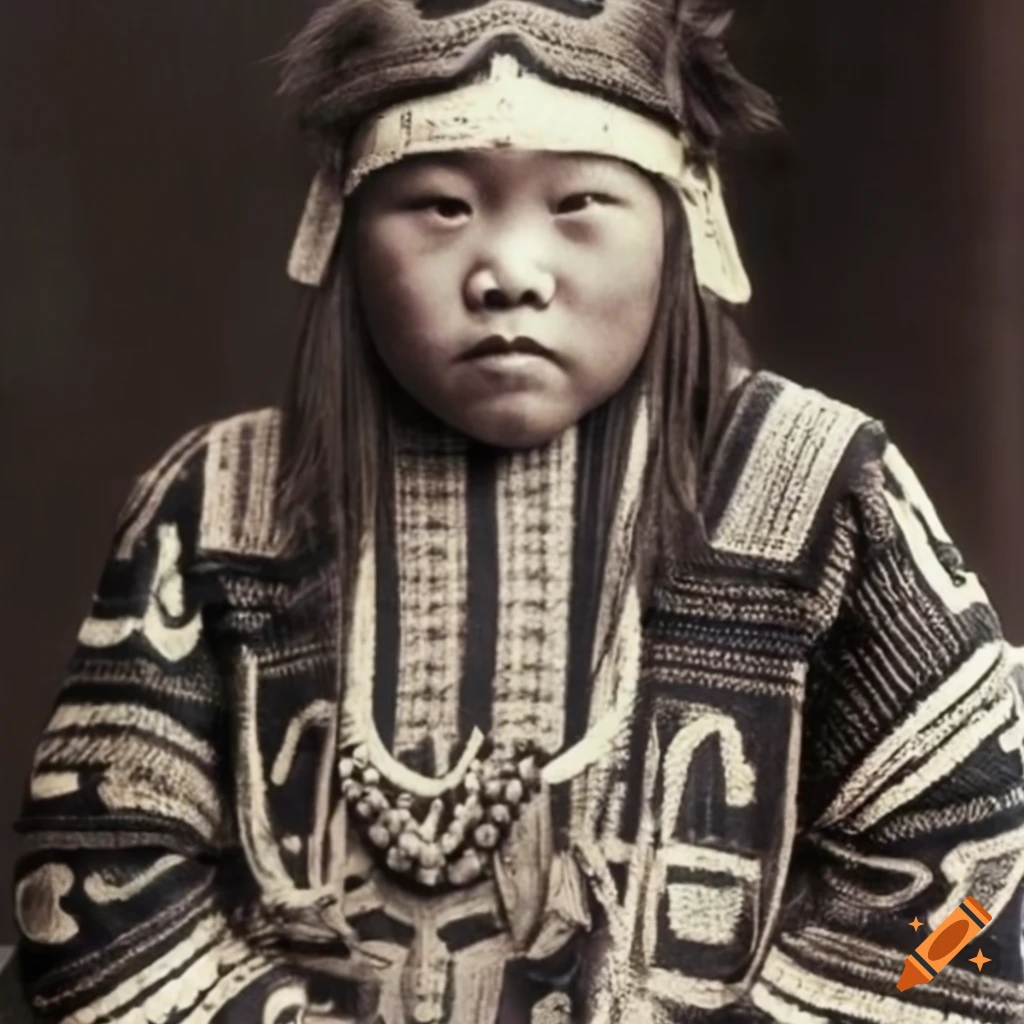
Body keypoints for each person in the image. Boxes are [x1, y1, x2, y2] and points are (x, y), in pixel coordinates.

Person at [11, 2, 1024, 1022]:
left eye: (579, 201)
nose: (509, 274)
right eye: (442, 206)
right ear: (340, 229)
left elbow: (975, 892)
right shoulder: (219, 504)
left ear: (686, 222)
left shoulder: (814, 487)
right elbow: (93, 910)